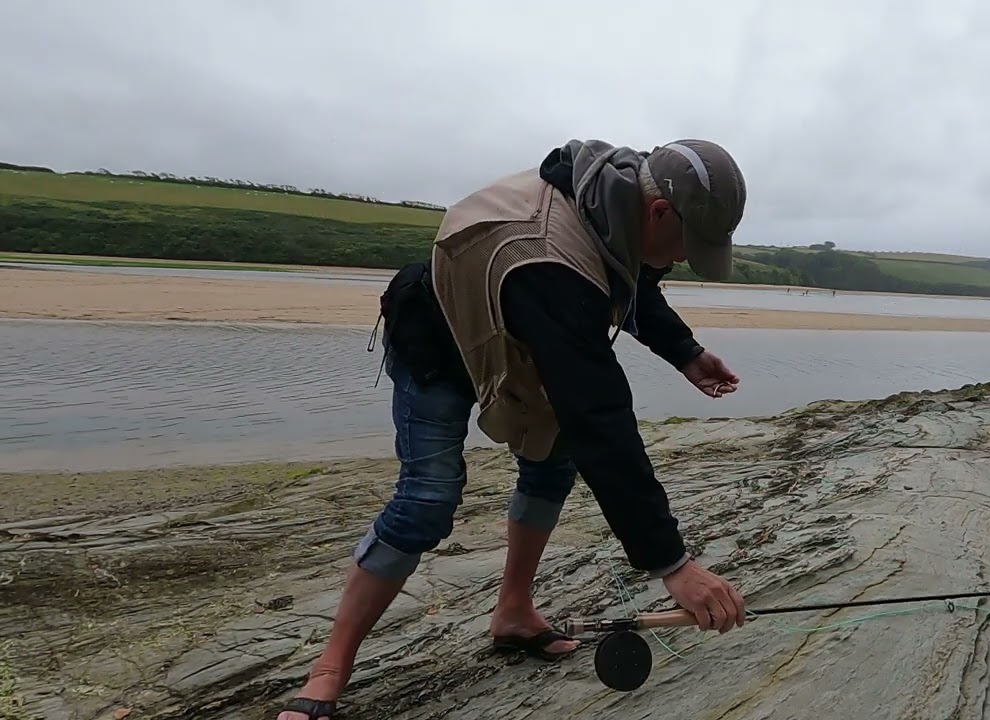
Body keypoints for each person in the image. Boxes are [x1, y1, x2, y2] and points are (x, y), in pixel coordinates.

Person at [278, 138, 749, 720]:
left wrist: (684, 351)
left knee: (553, 462)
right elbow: (599, 416)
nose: (680, 261)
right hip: (438, 342)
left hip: (523, 335)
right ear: (658, 212)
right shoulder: (549, 258)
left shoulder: (617, 200)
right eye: (687, 246)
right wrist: (673, 565)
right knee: (428, 498)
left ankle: (513, 612)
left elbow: (634, 284)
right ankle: (330, 665)